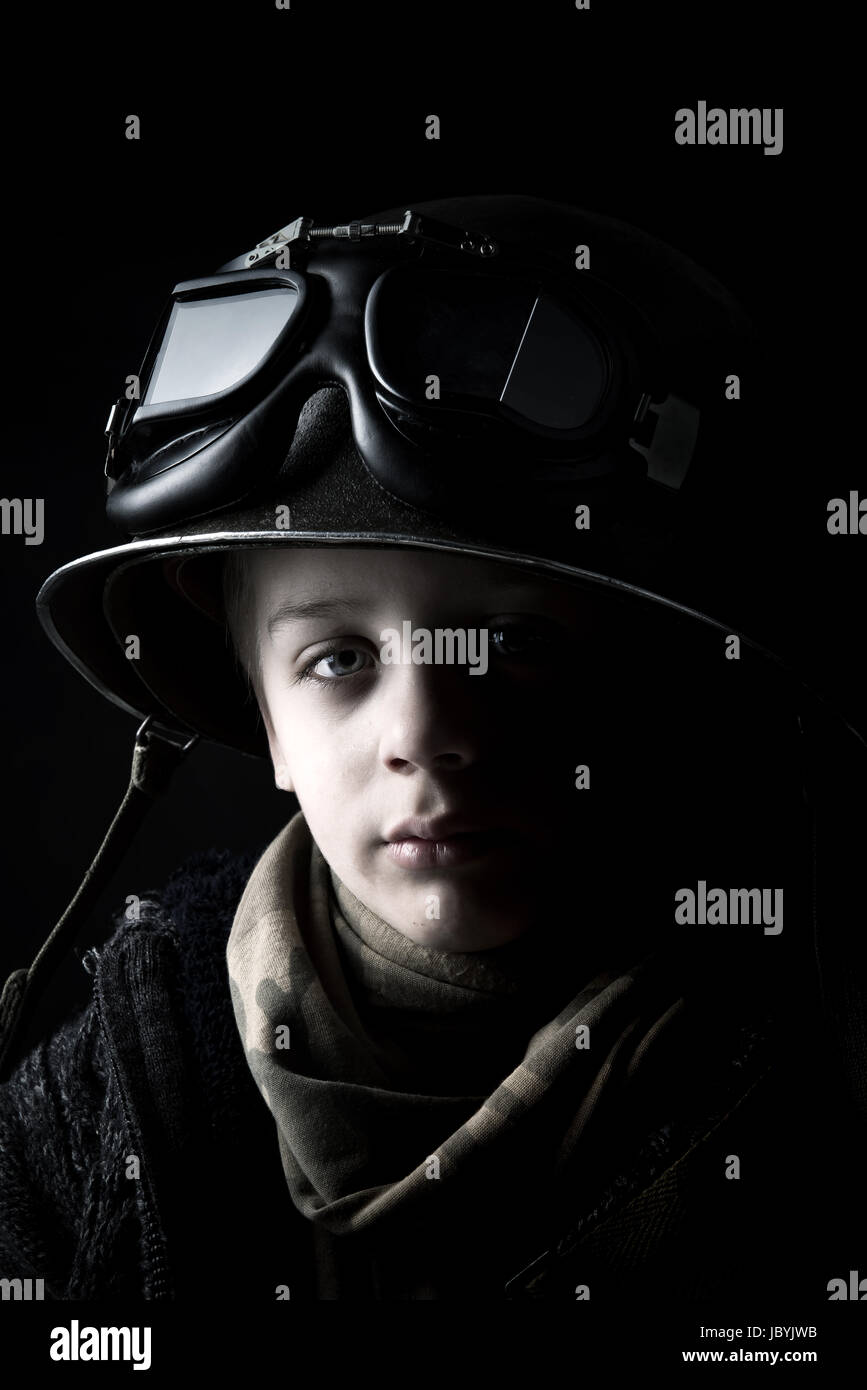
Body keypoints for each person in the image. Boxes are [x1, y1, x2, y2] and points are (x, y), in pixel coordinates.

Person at [0, 196, 863, 1303]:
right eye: (337, 660)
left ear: (653, 677)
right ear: (266, 720)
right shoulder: (99, 1101)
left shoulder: (814, 1072)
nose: (423, 737)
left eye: (508, 644)